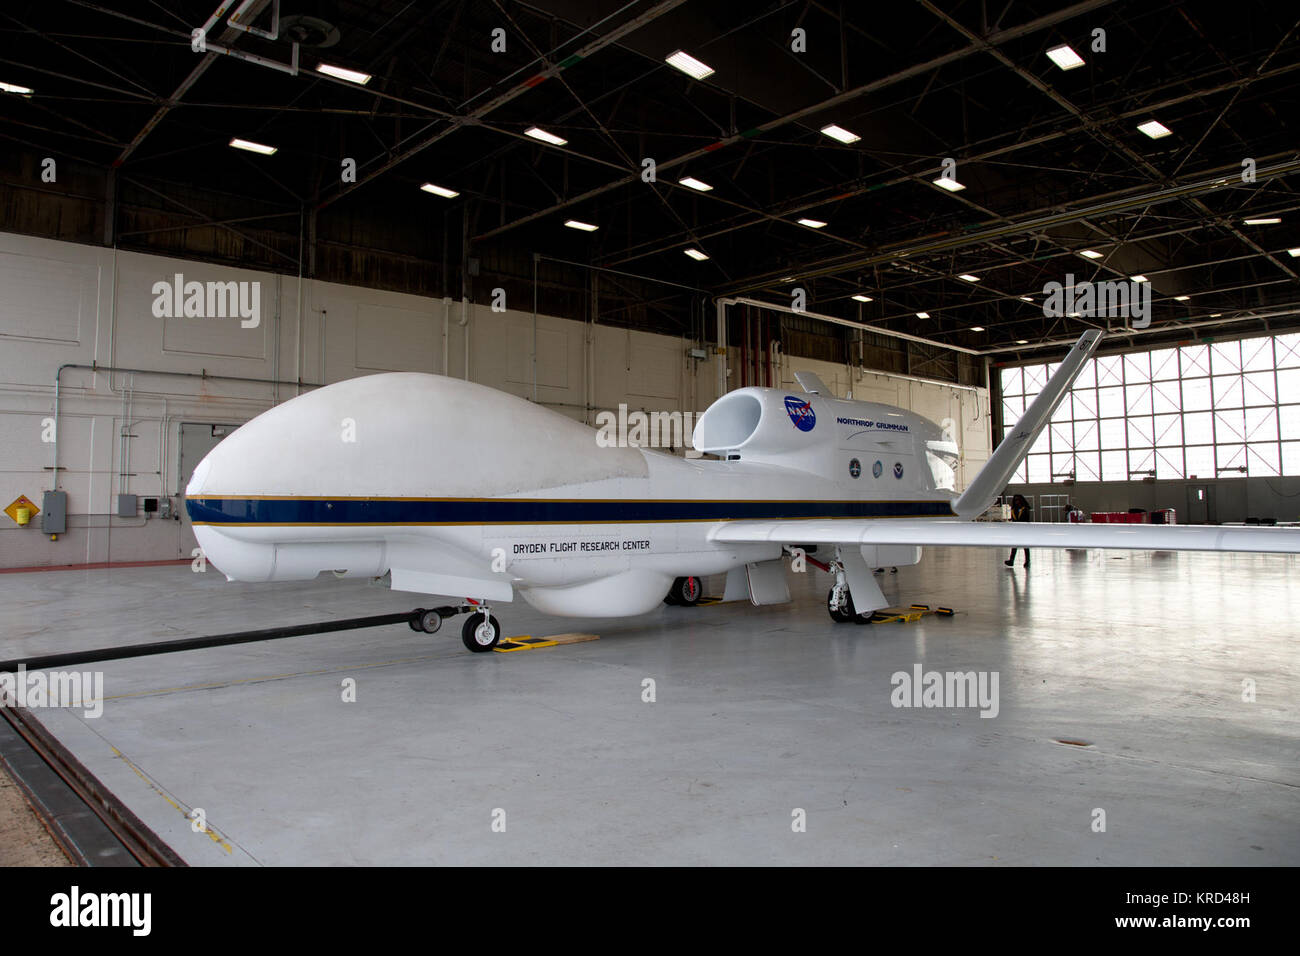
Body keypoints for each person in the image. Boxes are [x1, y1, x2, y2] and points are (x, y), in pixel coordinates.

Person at [1004, 494, 1031, 567]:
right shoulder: (1013, 509)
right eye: (1015, 500)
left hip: (1024, 530)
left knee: (1025, 546)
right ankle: (1011, 560)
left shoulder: (1025, 509)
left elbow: (1027, 520)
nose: (1017, 501)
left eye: (1018, 500)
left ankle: (1027, 561)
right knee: (1014, 546)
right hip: (1016, 530)